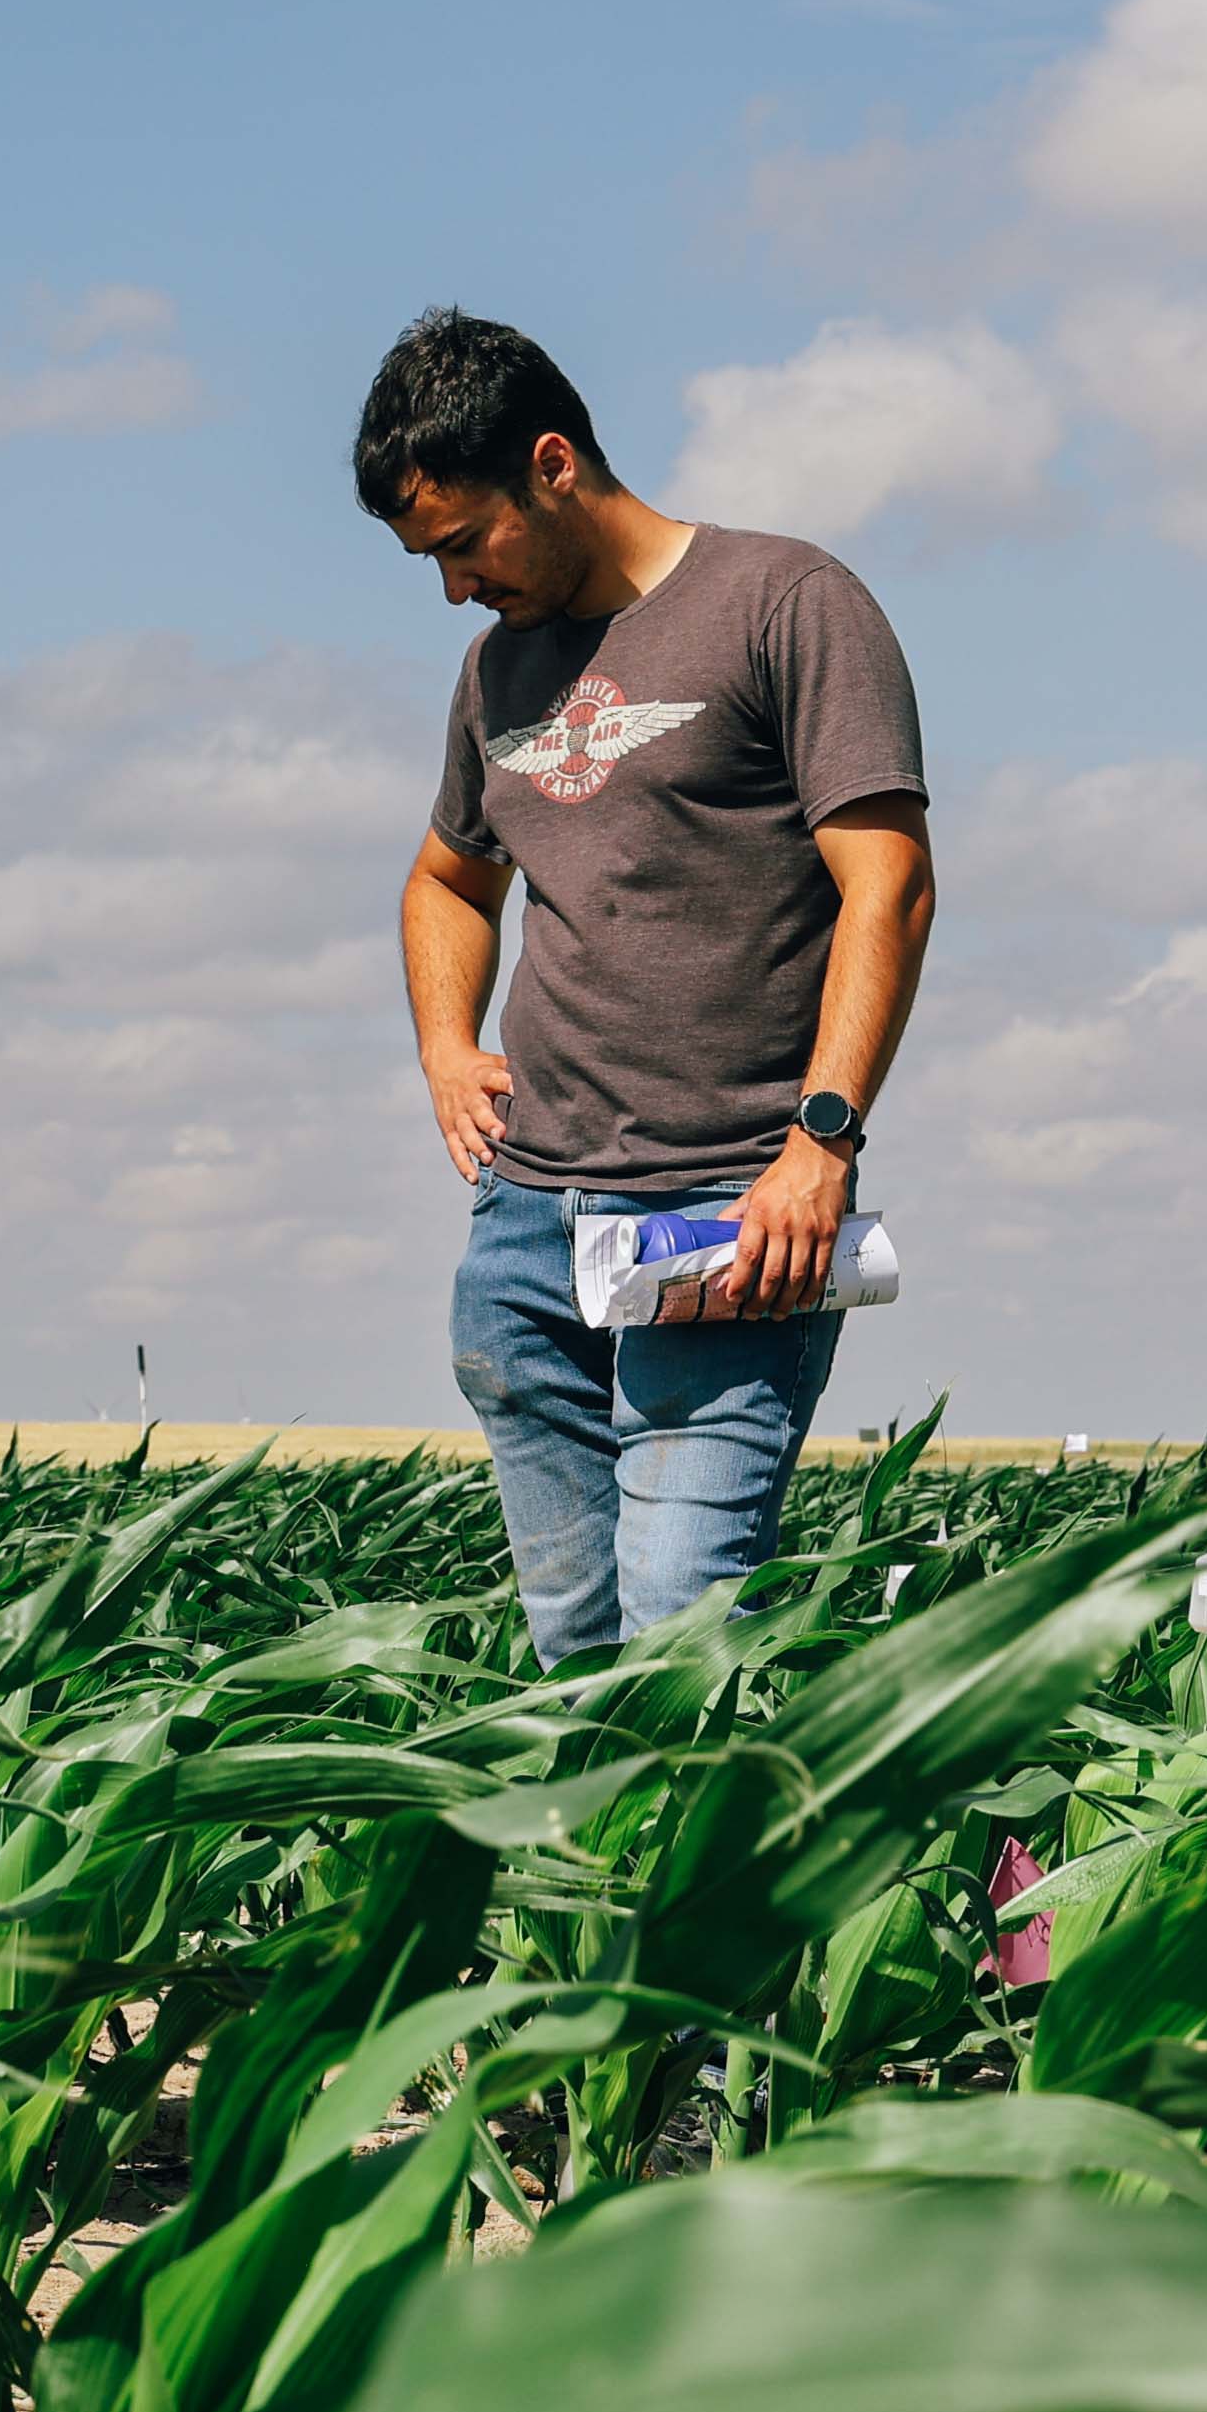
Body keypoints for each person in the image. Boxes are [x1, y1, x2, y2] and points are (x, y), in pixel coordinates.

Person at [356, 310, 936, 1663]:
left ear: (553, 465)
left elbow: (890, 884)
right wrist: (445, 1044)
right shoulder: (496, 672)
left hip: (726, 1220)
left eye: (464, 544)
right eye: (428, 560)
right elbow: (445, 881)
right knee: (574, 1661)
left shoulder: (784, 604)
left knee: (680, 1641)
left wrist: (822, 1138)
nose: (453, 589)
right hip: (524, 1225)